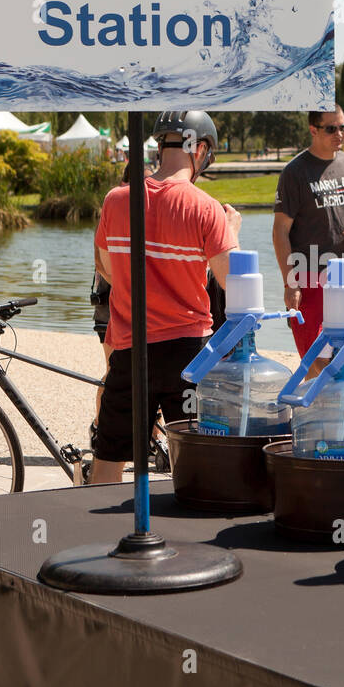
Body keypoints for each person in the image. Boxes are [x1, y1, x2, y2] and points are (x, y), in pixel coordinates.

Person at [91, 111, 241, 484]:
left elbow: (108, 270)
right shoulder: (206, 208)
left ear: (160, 145)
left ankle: (99, 534)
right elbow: (234, 286)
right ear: (200, 149)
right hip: (188, 352)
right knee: (193, 461)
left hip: (129, 348)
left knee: (109, 457)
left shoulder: (115, 201)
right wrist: (231, 232)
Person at [272, 105, 344, 356]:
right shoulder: (295, 172)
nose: (339, 134)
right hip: (309, 277)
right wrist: (290, 282)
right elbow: (279, 232)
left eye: (343, 127)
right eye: (331, 128)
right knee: (315, 359)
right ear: (313, 130)